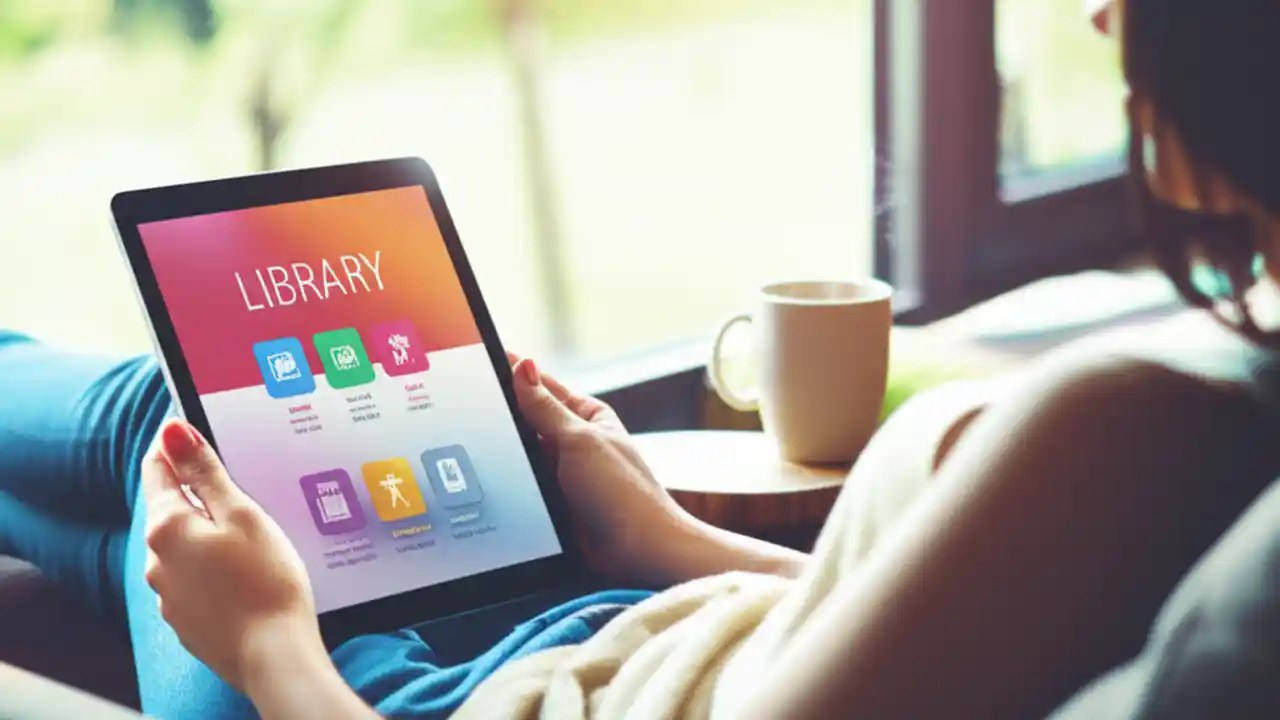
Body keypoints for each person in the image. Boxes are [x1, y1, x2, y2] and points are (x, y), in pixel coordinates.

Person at [2, 0, 1279, 716]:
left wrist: (267, 642)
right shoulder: (1210, 410)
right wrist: (660, 536)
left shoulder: (1141, 421)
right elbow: (943, 656)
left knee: (177, 428)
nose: (1101, 15)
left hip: (415, 705)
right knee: (191, 458)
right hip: (621, 632)